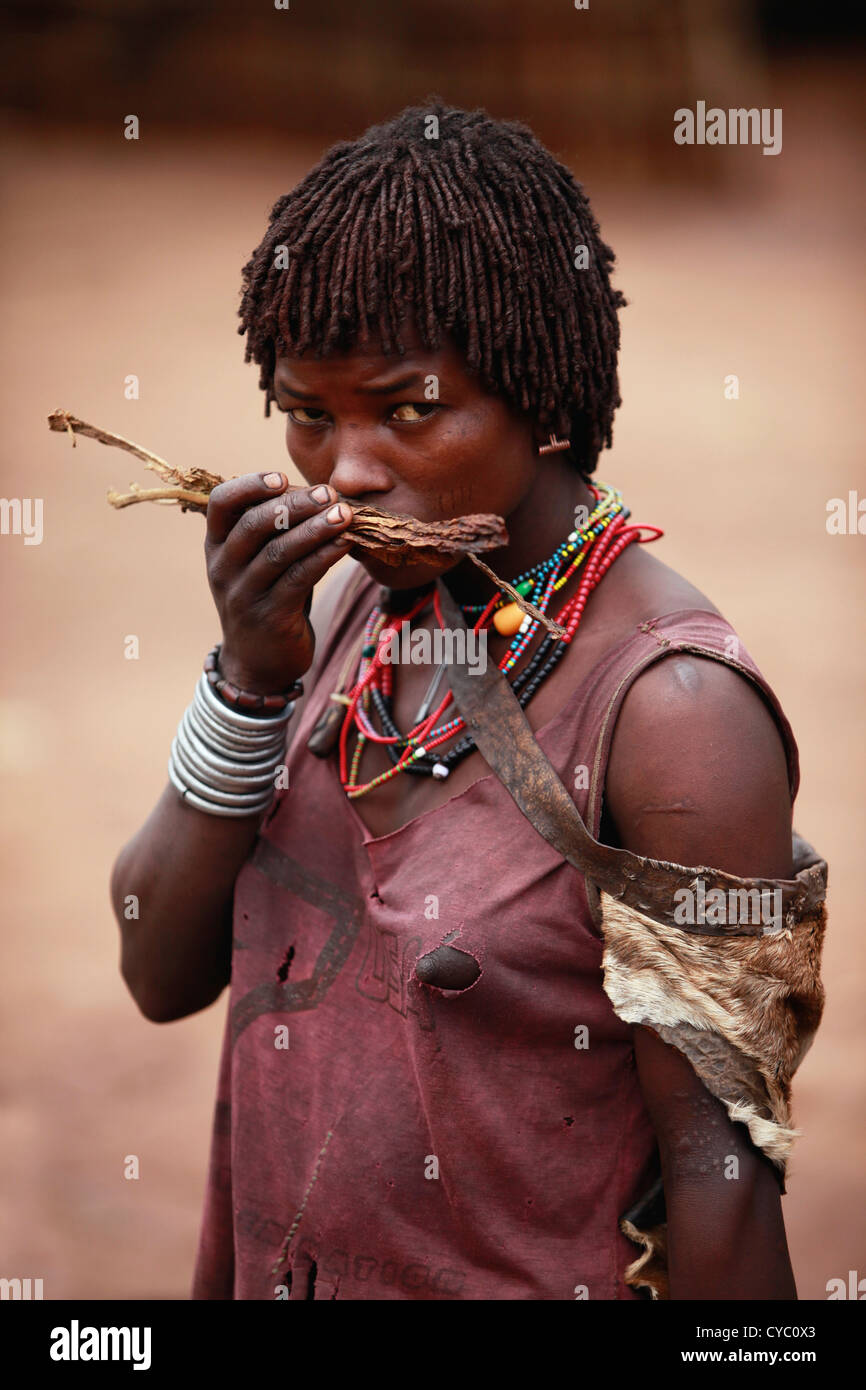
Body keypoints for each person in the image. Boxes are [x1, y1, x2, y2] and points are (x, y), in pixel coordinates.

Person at [110, 103, 811, 1300]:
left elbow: (722, 1181)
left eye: (407, 408)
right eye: (310, 414)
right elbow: (159, 971)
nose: (346, 473)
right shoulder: (352, 615)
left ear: (542, 397)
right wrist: (247, 684)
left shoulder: (672, 713)